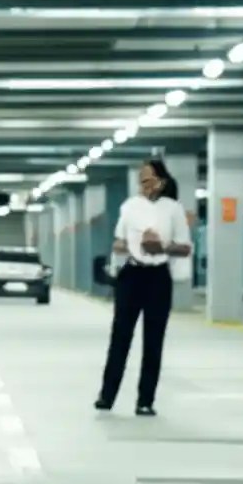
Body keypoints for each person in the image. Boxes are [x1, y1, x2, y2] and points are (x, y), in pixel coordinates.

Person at [94, 159, 193, 416]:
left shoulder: (173, 209)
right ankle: (107, 396)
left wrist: (162, 246)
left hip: (158, 277)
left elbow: (185, 247)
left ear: (161, 182)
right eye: (141, 181)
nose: (144, 186)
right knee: (120, 338)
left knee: (153, 341)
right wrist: (129, 244)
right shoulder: (130, 207)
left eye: (148, 180)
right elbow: (118, 241)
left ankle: (145, 400)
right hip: (131, 275)